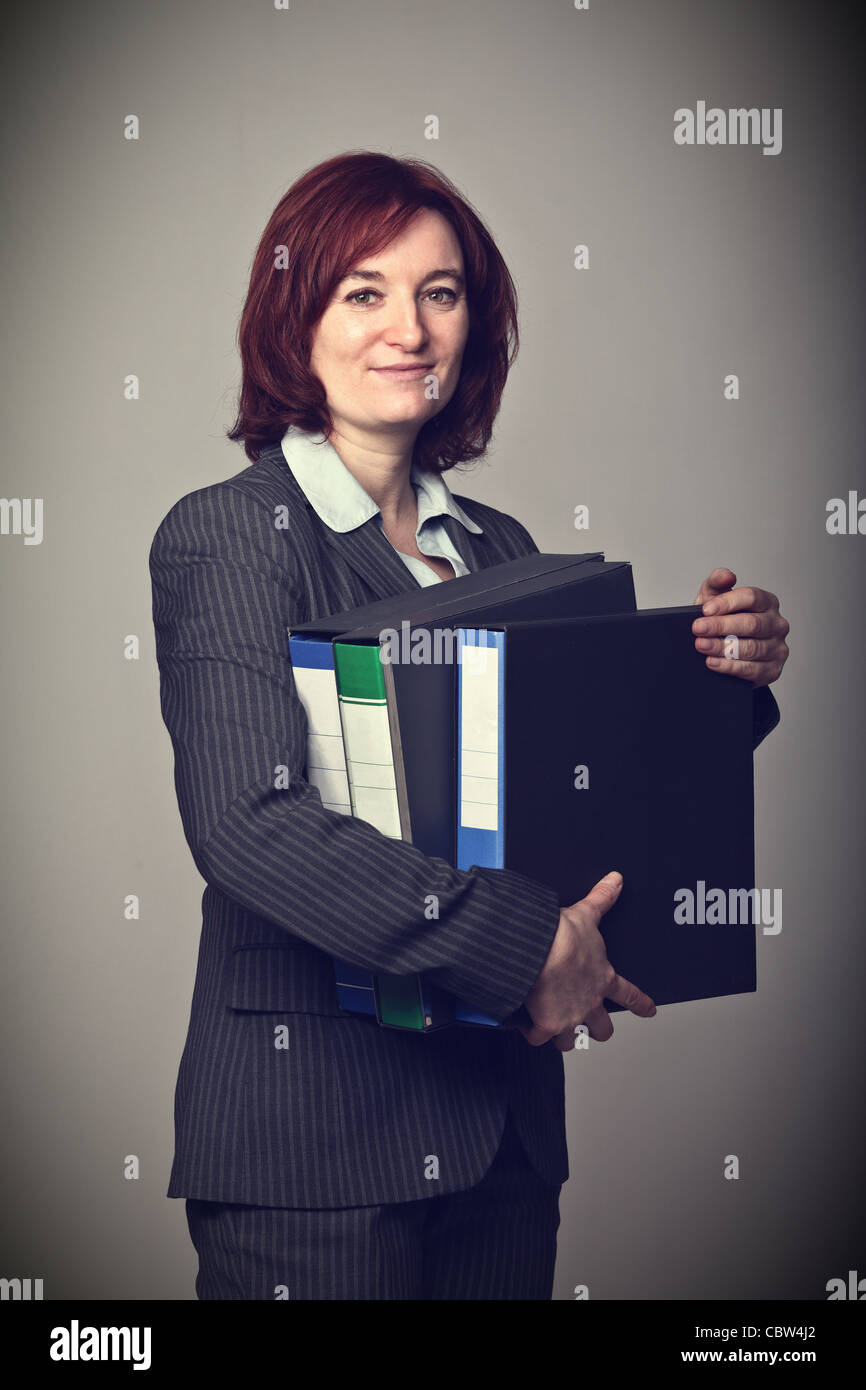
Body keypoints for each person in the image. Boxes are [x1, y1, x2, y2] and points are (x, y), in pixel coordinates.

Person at [149, 150, 788, 1301]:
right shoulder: (232, 535)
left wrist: (718, 681)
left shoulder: (498, 548)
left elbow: (581, 785)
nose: (409, 327)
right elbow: (251, 825)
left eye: (439, 293)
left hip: (501, 1134)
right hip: (315, 1148)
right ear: (295, 318)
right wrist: (525, 948)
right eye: (364, 291)